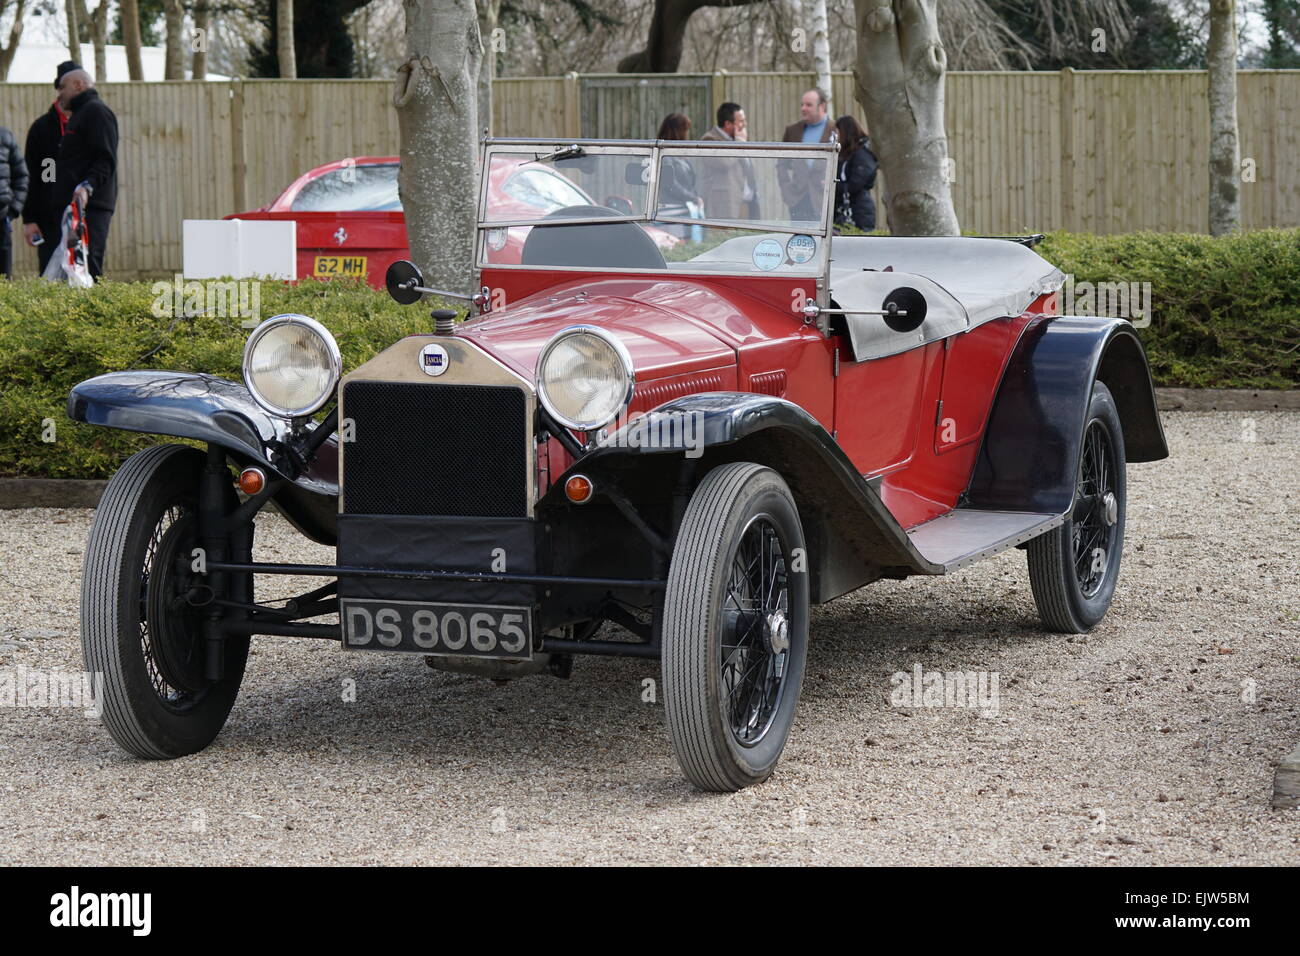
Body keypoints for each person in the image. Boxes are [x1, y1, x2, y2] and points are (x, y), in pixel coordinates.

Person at [52, 68, 118, 280]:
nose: (59, 93)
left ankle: (93, 312)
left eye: (63, 87)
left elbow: (105, 159)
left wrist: (87, 187)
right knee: (73, 270)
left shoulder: (97, 112)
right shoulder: (80, 115)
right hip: (74, 209)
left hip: (89, 207)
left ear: (79, 85)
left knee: (87, 267)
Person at [22, 61, 77, 274]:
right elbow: (34, 176)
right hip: (49, 217)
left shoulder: (90, 121)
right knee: (49, 274)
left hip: (82, 214)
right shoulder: (42, 128)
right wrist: (30, 219)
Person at [779, 88, 833, 222]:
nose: (803, 108)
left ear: (822, 106)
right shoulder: (792, 131)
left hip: (825, 200)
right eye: (802, 104)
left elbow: (843, 163)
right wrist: (786, 188)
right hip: (797, 199)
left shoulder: (835, 130)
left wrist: (832, 183)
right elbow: (781, 163)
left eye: (809, 105)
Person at [698, 102, 758, 221]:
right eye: (741, 121)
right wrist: (740, 142)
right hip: (723, 205)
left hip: (745, 202)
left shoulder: (736, 139)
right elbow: (724, 162)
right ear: (728, 124)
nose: (744, 125)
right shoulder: (709, 139)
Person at [655, 113, 701, 239]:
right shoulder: (665, 156)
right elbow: (670, 184)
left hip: (685, 211)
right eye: (686, 130)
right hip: (672, 213)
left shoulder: (680, 155)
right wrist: (693, 197)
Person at [833, 115, 878, 232]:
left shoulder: (862, 155)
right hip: (843, 210)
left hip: (859, 212)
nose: (836, 136)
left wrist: (833, 186)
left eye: (838, 132)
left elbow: (856, 183)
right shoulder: (846, 155)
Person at [0, 124, 28, 279]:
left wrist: (12, 210)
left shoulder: (5, 136)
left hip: (1, 220)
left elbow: (21, 176)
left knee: (3, 285)